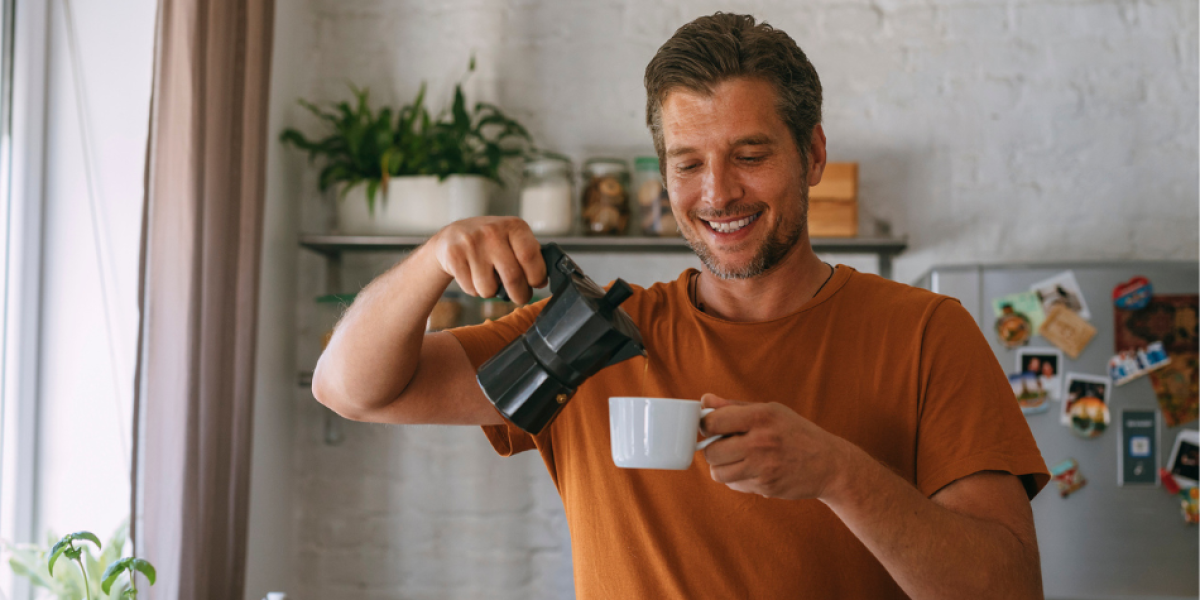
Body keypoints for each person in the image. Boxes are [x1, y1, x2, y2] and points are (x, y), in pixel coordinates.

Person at [313, 12, 1049, 600]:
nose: (718, 193)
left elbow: (1007, 591)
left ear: (813, 155)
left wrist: (837, 474)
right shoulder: (590, 338)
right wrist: (433, 258)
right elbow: (349, 389)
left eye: (750, 156)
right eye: (688, 163)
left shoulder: (925, 334)